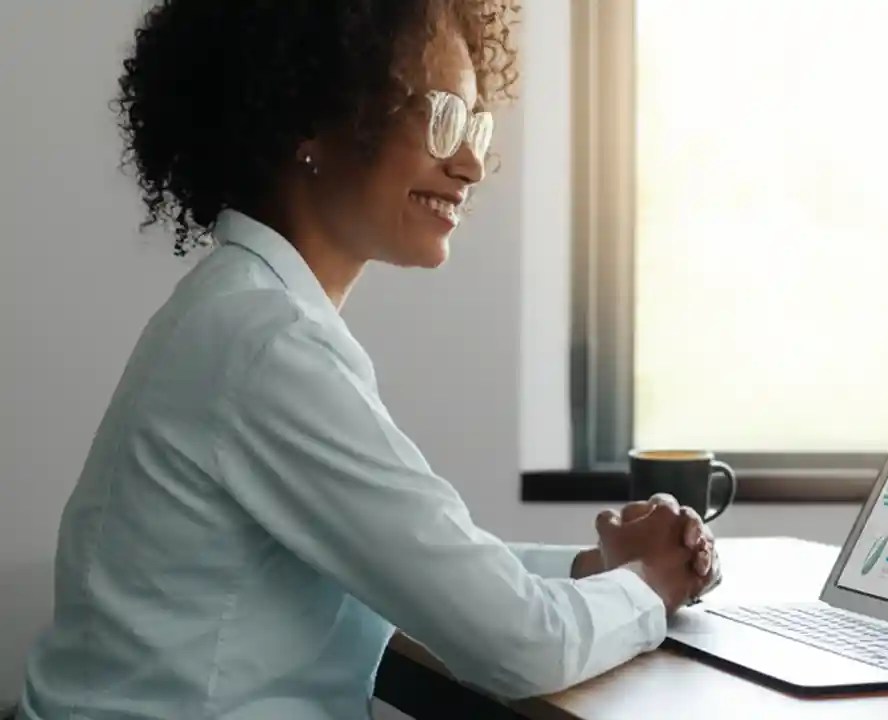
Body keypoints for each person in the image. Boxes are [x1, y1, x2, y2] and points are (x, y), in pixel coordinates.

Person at [18, 1, 720, 718]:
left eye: (474, 126)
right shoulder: (266, 345)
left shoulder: (241, 312)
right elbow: (520, 644)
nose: (471, 164)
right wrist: (650, 584)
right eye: (441, 116)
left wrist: (598, 567)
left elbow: (425, 563)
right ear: (313, 118)